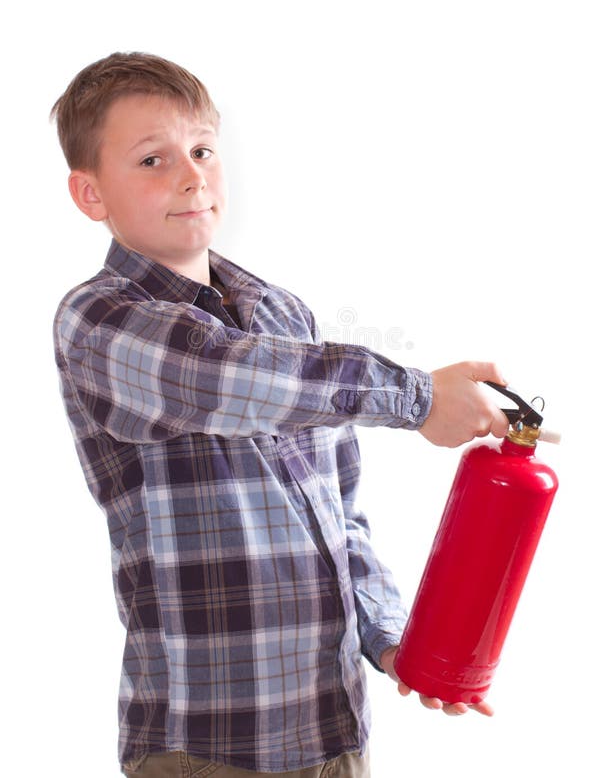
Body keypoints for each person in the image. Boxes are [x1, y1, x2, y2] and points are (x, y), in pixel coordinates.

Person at [51, 52, 508, 778]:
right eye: (152, 159)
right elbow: (217, 377)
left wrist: (393, 642)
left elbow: (339, 511)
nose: (191, 174)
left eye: (202, 150)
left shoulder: (282, 314)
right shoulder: (99, 318)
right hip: (206, 746)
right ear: (90, 193)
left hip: (333, 732)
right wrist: (417, 395)